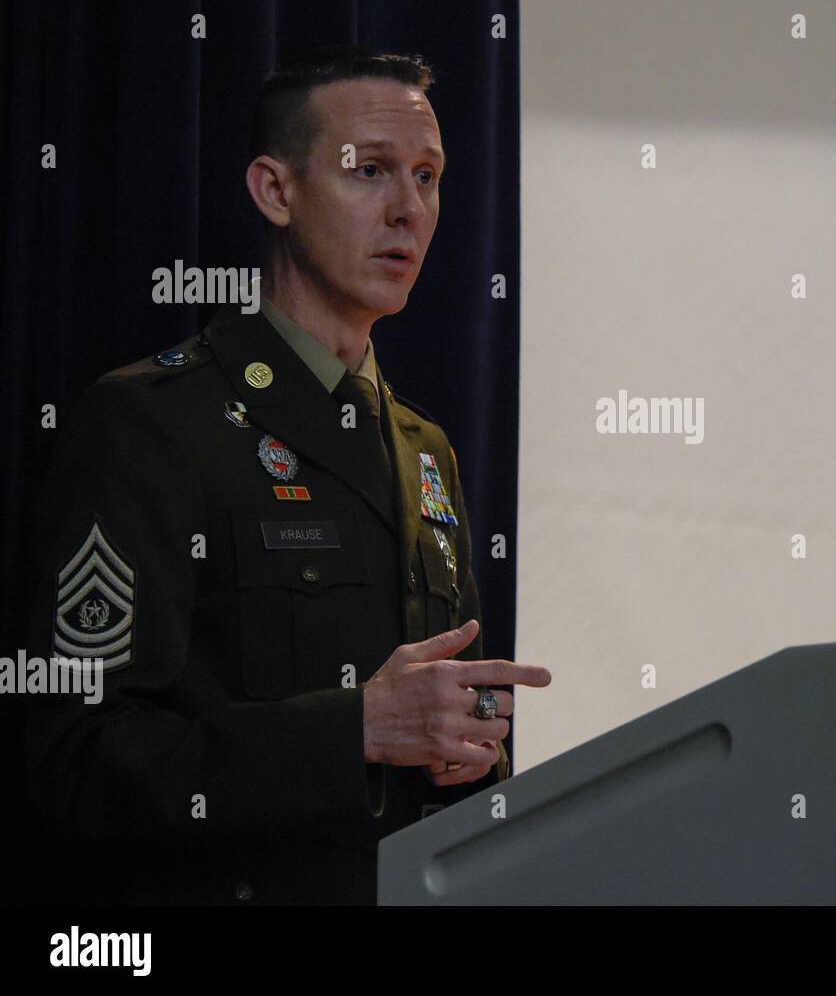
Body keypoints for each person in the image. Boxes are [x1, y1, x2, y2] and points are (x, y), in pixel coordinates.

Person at [22, 46, 550, 906]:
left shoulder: (427, 449)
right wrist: (355, 732)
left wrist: (472, 756)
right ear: (276, 190)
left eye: (428, 175)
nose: (409, 209)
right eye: (370, 171)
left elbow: (446, 744)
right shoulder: (156, 420)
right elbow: (77, 758)